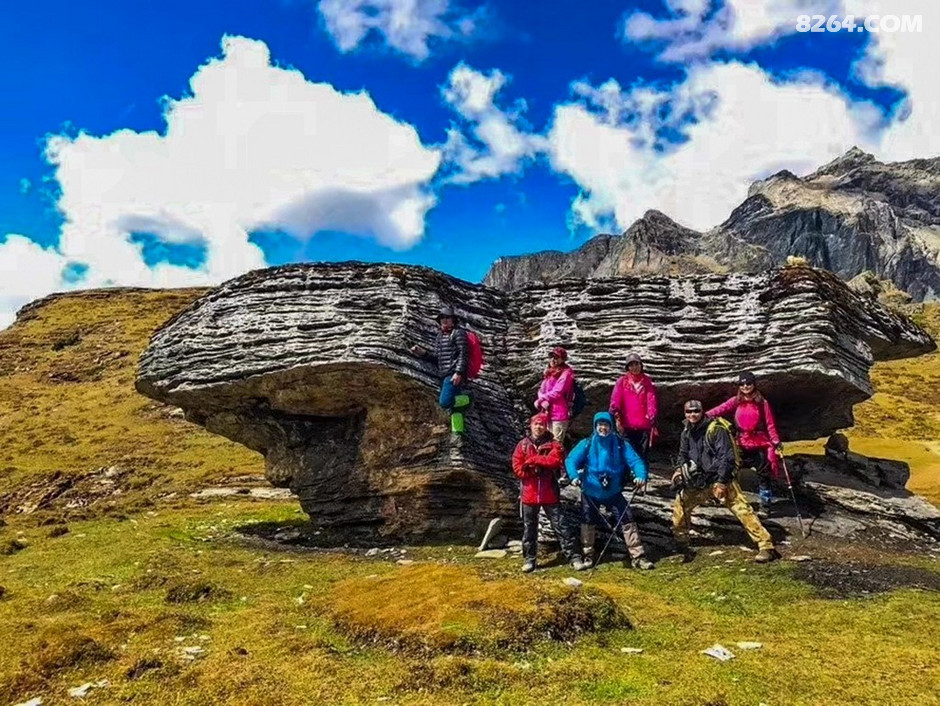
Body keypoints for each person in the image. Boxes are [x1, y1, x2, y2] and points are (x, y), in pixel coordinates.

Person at [672, 399, 778, 563]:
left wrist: (721, 482)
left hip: (719, 479)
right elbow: (682, 454)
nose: (692, 415)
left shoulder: (716, 429)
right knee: (680, 507)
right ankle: (681, 542)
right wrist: (679, 470)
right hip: (697, 480)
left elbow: (726, 458)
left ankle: (766, 546)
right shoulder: (686, 430)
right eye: (689, 412)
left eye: (696, 411)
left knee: (742, 510)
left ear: (702, 411)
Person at [565, 412, 654, 570]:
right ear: (595, 426)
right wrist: (573, 476)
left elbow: (635, 461)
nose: (603, 428)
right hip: (590, 490)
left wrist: (641, 475)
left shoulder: (621, 444)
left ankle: (638, 556)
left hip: (614, 491)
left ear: (611, 426)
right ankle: (588, 555)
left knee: (627, 519)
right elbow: (571, 459)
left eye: (606, 425)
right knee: (587, 521)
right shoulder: (587, 443)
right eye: (600, 425)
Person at [511, 413, 590, 573]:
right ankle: (529, 560)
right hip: (529, 495)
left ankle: (574, 557)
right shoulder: (522, 445)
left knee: (561, 526)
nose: (539, 427)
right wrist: (532, 473)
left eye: (542, 424)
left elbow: (555, 461)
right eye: (536, 424)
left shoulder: (554, 444)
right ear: (531, 426)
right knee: (529, 529)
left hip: (550, 494)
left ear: (546, 426)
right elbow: (517, 467)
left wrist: (533, 461)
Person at [706, 371, 783, 512]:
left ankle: (765, 504)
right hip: (740, 443)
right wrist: (704, 416)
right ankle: (720, 496)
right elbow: (721, 408)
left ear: (754, 384)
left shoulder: (762, 403)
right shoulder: (736, 400)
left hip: (759, 442)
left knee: (763, 473)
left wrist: (776, 440)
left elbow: (769, 423)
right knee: (727, 468)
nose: (745, 386)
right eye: (742, 384)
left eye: (748, 383)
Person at [410, 306, 472, 447]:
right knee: (454, 408)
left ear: (453, 320)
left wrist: (459, 372)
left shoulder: (458, 333)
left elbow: (464, 354)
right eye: (442, 318)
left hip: (453, 374)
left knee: (445, 402)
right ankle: (458, 434)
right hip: (444, 374)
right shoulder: (440, 336)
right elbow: (437, 358)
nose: (444, 320)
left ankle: (469, 398)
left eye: (447, 318)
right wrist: (422, 353)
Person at [609, 352, 658, 463]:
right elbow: (615, 399)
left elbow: (651, 399)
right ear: (628, 367)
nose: (635, 367)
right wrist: (615, 415)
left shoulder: (646, 381)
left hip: (644, 424)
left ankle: (642, 474)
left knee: (643, 452)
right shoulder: (622, 381)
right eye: (631, 365)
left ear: (641, 365)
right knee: (627, 451)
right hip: (626, 424)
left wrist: (652, 415)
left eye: (637, 364)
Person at [535, 346, 575, 445]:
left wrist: (541, 400)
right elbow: (541, 390)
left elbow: (558, 392)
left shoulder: (566, 373)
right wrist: (542, 400)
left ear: (563, 359)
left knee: (555, 444)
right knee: (545, 443)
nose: (553, 359)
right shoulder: (549, 372)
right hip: (547, 413)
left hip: (559, 414)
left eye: (556, 357)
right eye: (552, 357)